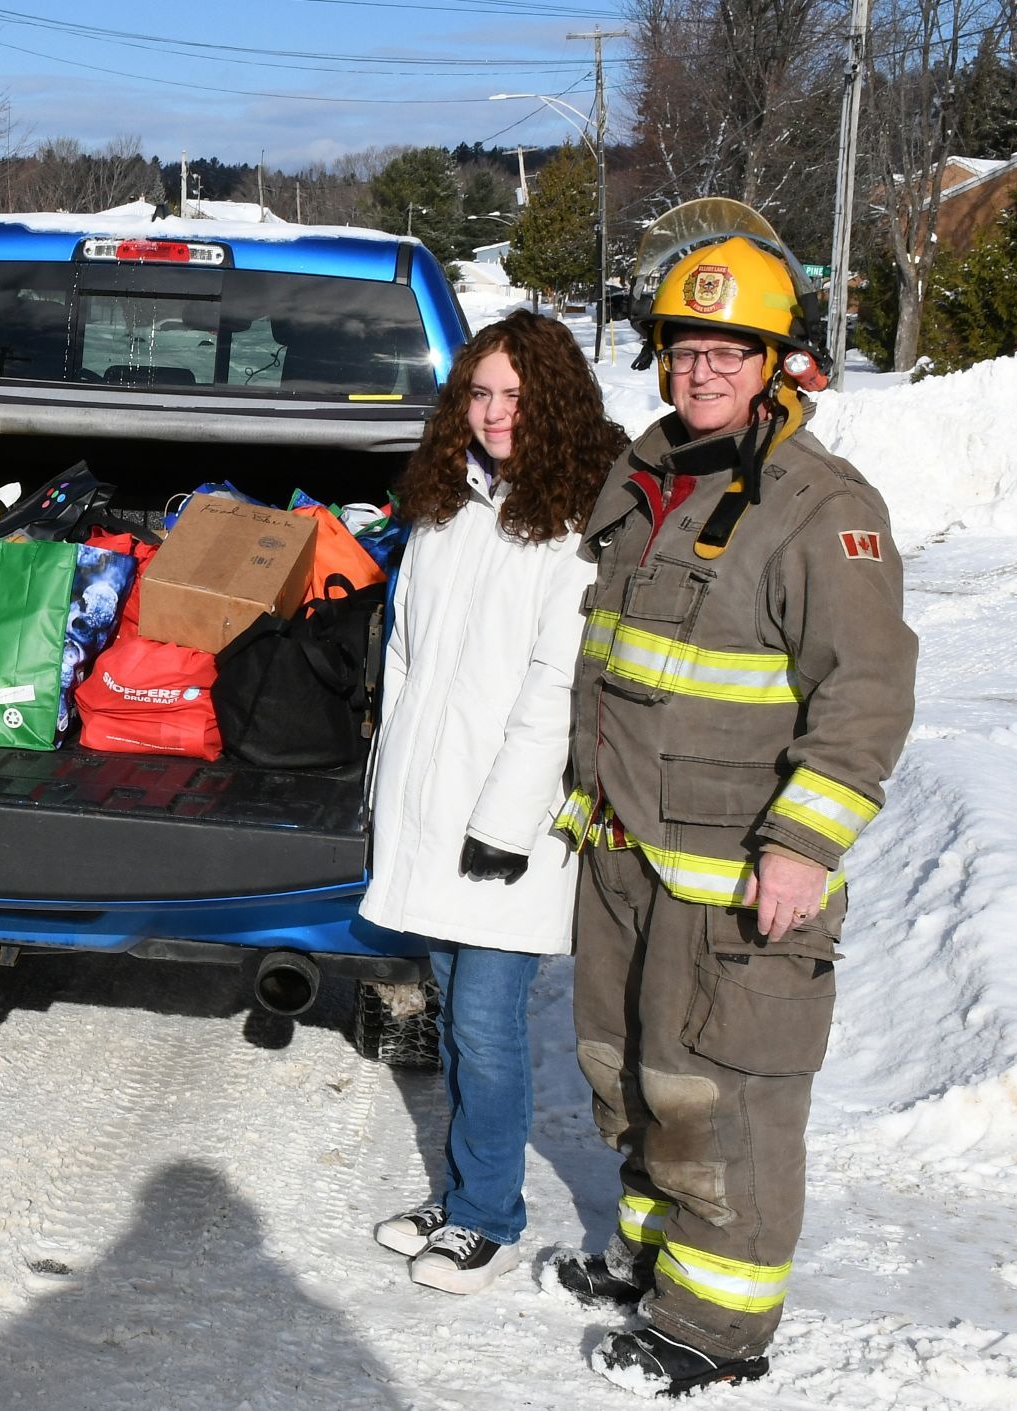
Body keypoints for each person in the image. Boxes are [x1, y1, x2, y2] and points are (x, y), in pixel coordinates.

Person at [548, 237, 918, 1394]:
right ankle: (655, 1259)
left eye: (729, 352)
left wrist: (802, 844)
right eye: (685, 348)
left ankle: (709, 1333)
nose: (702, 370)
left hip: (737, 876)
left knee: (725, 1101)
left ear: (778, 364)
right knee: (629, 1071)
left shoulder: (820, 508)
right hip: (624, 852)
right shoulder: (648, 476)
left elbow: (863, 692)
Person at [366, 311, 628, 1293]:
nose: (491, 412)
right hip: (429, 814)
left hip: (506, 832)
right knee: (451, 1013)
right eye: (477, 392)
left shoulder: (569, 527)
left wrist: (500, 826)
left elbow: (553, 690)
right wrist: (387, 785)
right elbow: (404, 660)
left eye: (513, 395)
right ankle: (462, 1190)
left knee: (483, 1022)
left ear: (551, 401)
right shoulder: (441, 512)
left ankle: (487, 1216)